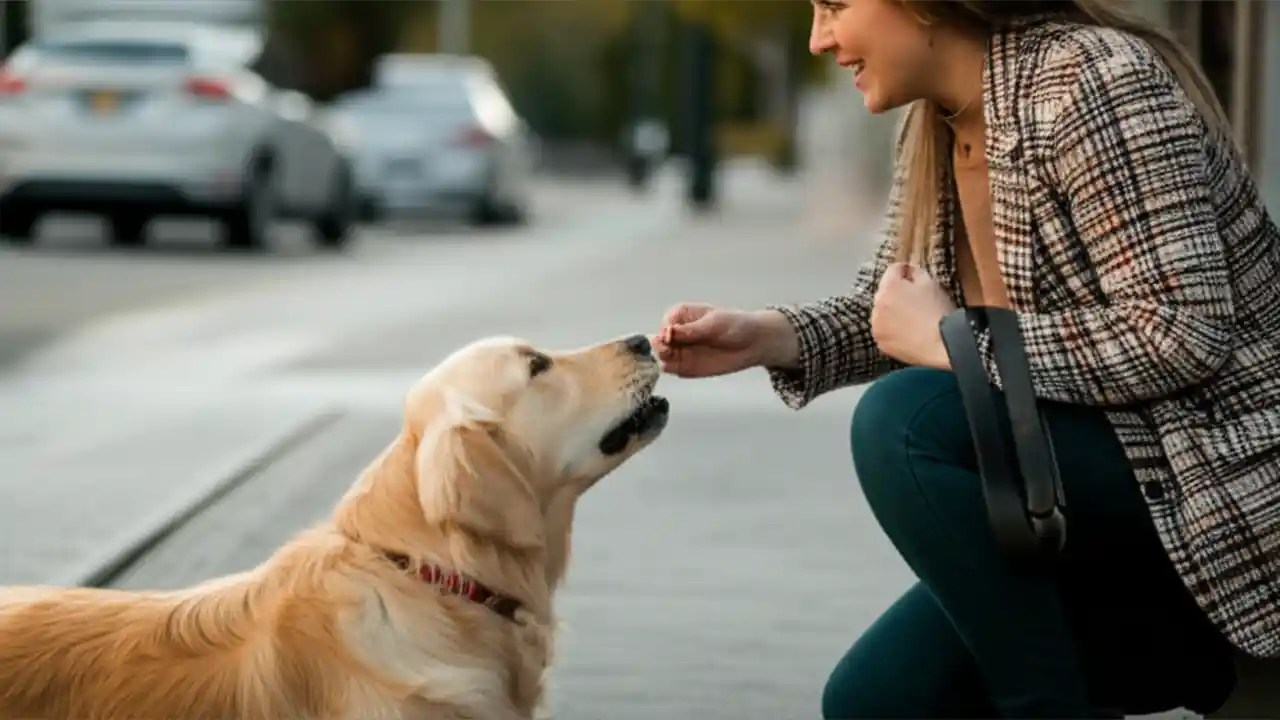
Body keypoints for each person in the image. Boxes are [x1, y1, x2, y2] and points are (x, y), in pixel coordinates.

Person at [652, 0, 1280, 717]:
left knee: (908, 423)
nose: (819, 40)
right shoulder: (935, 124)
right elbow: (900, 314)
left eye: (833, 7)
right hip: (1093, 481)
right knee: (878, 698)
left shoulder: (1093, 80)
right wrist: (769, 335)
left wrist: (957, 342)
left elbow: (1182, 333)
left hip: (1214, 472)